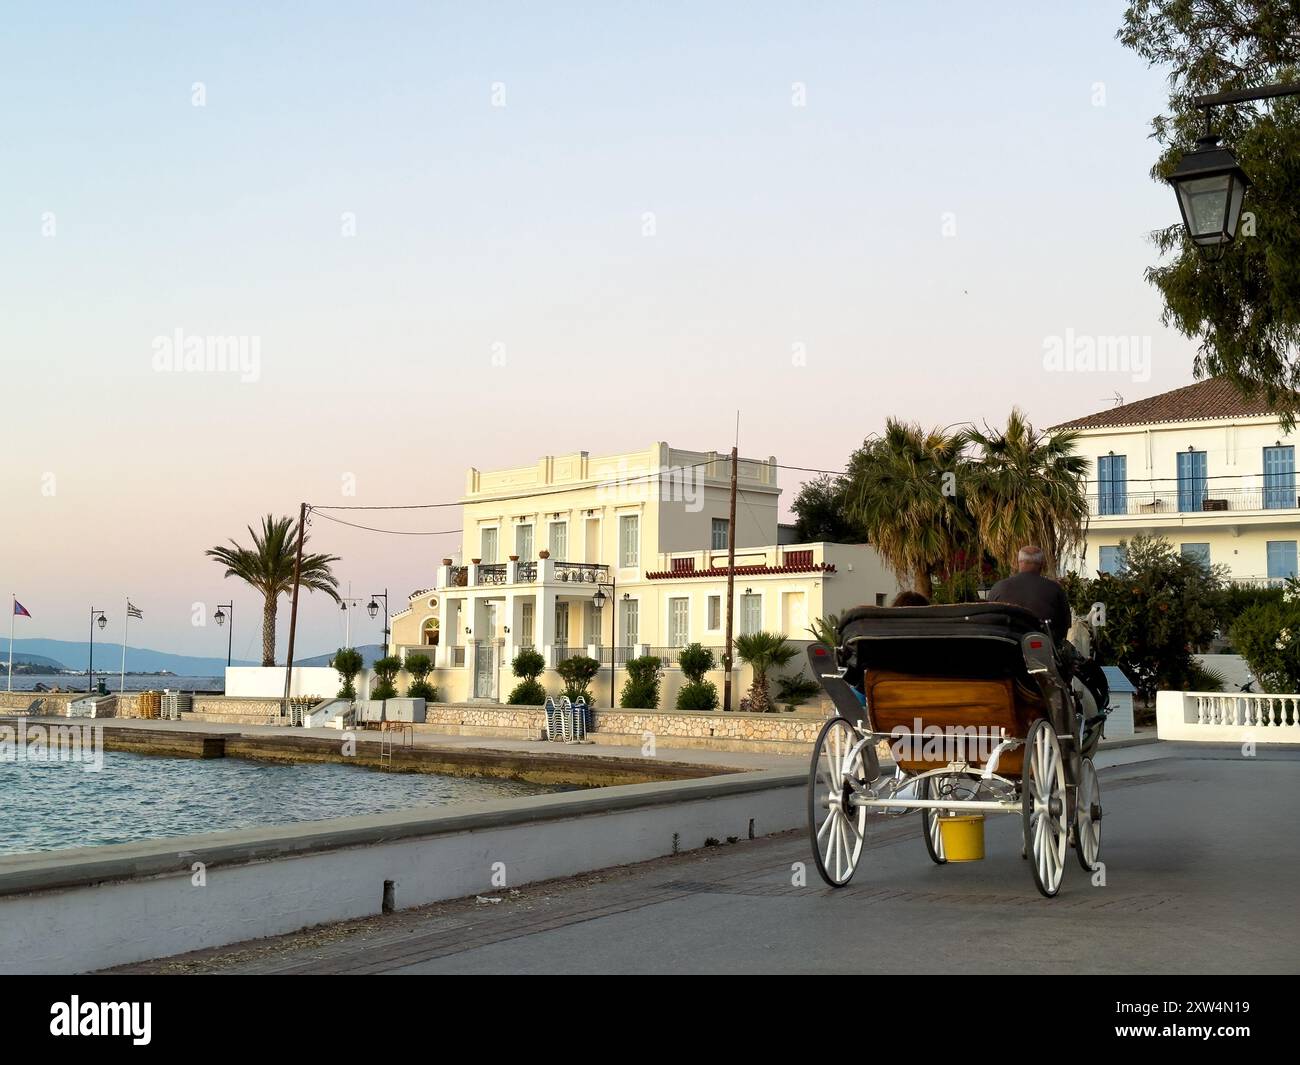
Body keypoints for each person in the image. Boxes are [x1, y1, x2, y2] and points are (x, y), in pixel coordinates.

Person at [986, 545, 1072, 645]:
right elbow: (1064, 627)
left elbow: (990, 620)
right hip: (1041, 649)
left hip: (1006, 646)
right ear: (1041, 564)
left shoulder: (998, 587)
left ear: (1019, 563)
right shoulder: (1055, 589)